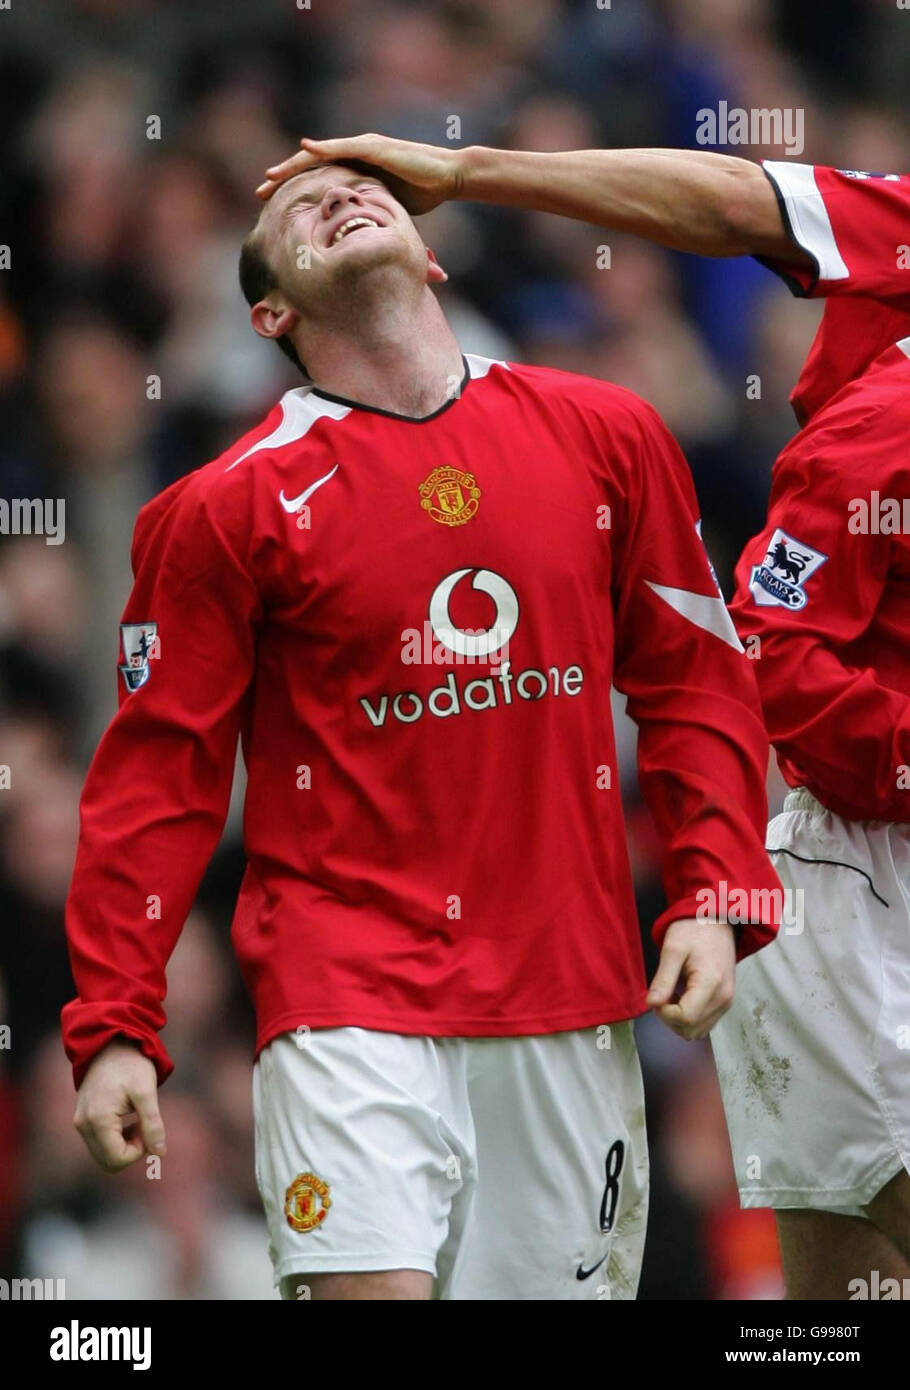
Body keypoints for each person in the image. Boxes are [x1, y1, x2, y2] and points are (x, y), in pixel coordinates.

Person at [62, 159, 780, 1301]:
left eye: (369, 192)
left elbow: (694, 680)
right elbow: (157, 781)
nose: (339, 201)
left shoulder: (609, 434)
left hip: (571, 985)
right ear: (272, 313)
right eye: (298, 210)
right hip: (347, 991)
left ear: (431, 253)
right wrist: (114, 1023)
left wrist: (711, 887)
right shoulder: (220, 511)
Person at [260, 133, 910, 1297]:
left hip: (723, 901)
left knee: (847, 1291)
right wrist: (463, 172)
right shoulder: (885, 416)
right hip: (850, 855)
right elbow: (729, 197)